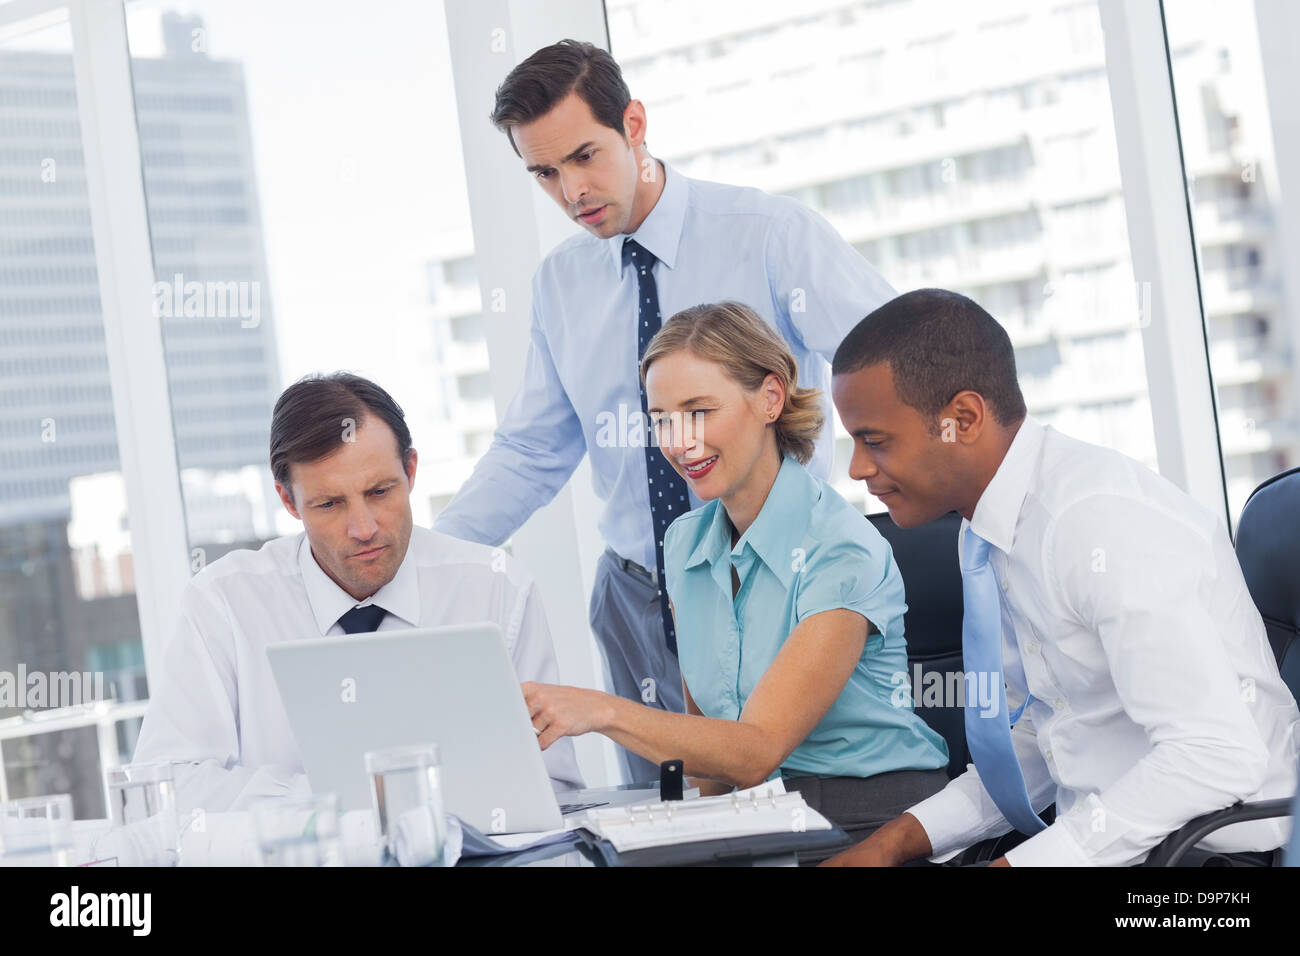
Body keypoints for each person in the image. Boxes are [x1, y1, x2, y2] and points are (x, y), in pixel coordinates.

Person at [433, 39, 897, 784]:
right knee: (664, 827)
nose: (571, 191)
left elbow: (889, 358)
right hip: (636, 592)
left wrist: (891, 479)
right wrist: (425, 559)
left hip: (770, 576)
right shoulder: (561, 283)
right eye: (544, 173)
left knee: (783, 795)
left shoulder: (769, 234)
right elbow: (532, 452)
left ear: (635, 124)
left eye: (585, 156)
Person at [820, 288, 1300, 867]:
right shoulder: (995, 530)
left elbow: (1214, 754)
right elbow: (1043, 739)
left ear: (962, 419)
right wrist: (892, 844)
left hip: (1206, 862)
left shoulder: (1095, 522)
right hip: (1119, 847)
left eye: (874, 440)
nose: (856, 468)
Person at [521, 302, 949, 857]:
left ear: (771, 398)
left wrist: (601, 711)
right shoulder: (686, 543)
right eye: (661, 419)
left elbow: (754, 750)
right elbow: (713, 754)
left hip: (867, 819)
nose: (679, 442)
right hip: (759, 818)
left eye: (699, 411)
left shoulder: (839, 548)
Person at [133, 373, 583, 812]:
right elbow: (165, 789)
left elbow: (553, 789)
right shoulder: (224, 603)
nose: (364, 529)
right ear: (289, 502)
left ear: (410, 471)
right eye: (329, 504)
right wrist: (340, 803)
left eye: (380, 491)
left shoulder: (499, 590)